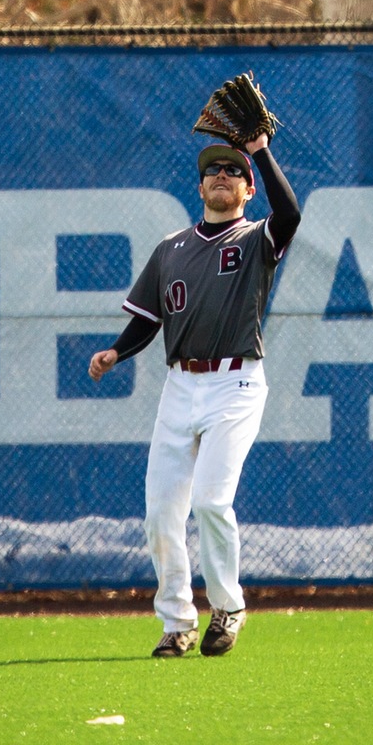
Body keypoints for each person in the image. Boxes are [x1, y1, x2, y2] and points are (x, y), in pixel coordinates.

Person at [87, 121, 300, 658]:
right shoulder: (171, 249)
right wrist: (117, 350)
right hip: (180, 384)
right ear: (200, 189)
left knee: (210, 500)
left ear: (248, 190)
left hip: (237, 381)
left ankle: (227, 609)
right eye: (212, 171)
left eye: (234, 171)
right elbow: (148, 319)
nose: (222, 175)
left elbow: (291, 215)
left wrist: (260, 151)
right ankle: (178, 622)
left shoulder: (256, 239)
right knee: (161, 511)